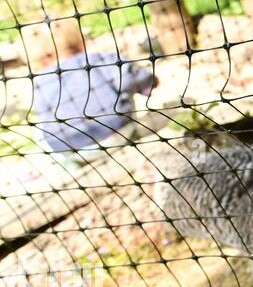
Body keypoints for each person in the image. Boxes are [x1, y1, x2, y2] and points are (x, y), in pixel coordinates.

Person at [27, 18, 158, 174]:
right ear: (80, 39)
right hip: (118, 133)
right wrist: (149, 84)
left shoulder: (39, 81)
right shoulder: (103, 59)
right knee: (121, 96)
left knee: (38, 127)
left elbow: (42, 112)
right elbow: (141, 80)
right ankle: (131, 138)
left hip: (72, 147)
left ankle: (69, 164)